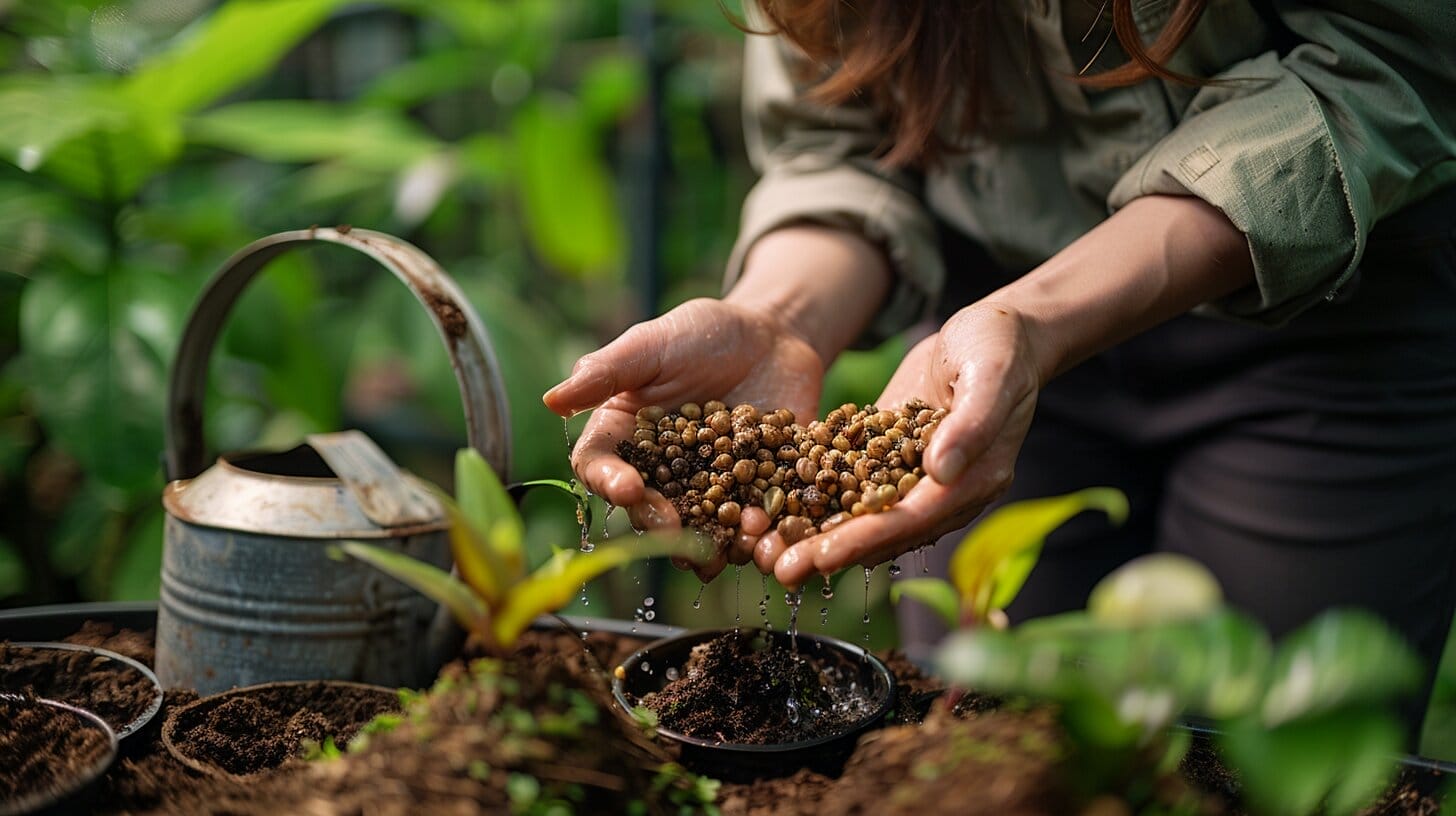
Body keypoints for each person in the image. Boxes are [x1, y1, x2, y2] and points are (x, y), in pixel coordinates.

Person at [544, 0, 1456, 727]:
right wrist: (773, 317)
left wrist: (1039, 317)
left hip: (1328, 313)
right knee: (970, 733)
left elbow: (1392, 66)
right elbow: (836, 143)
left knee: (1250, 745)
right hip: (980, 348)